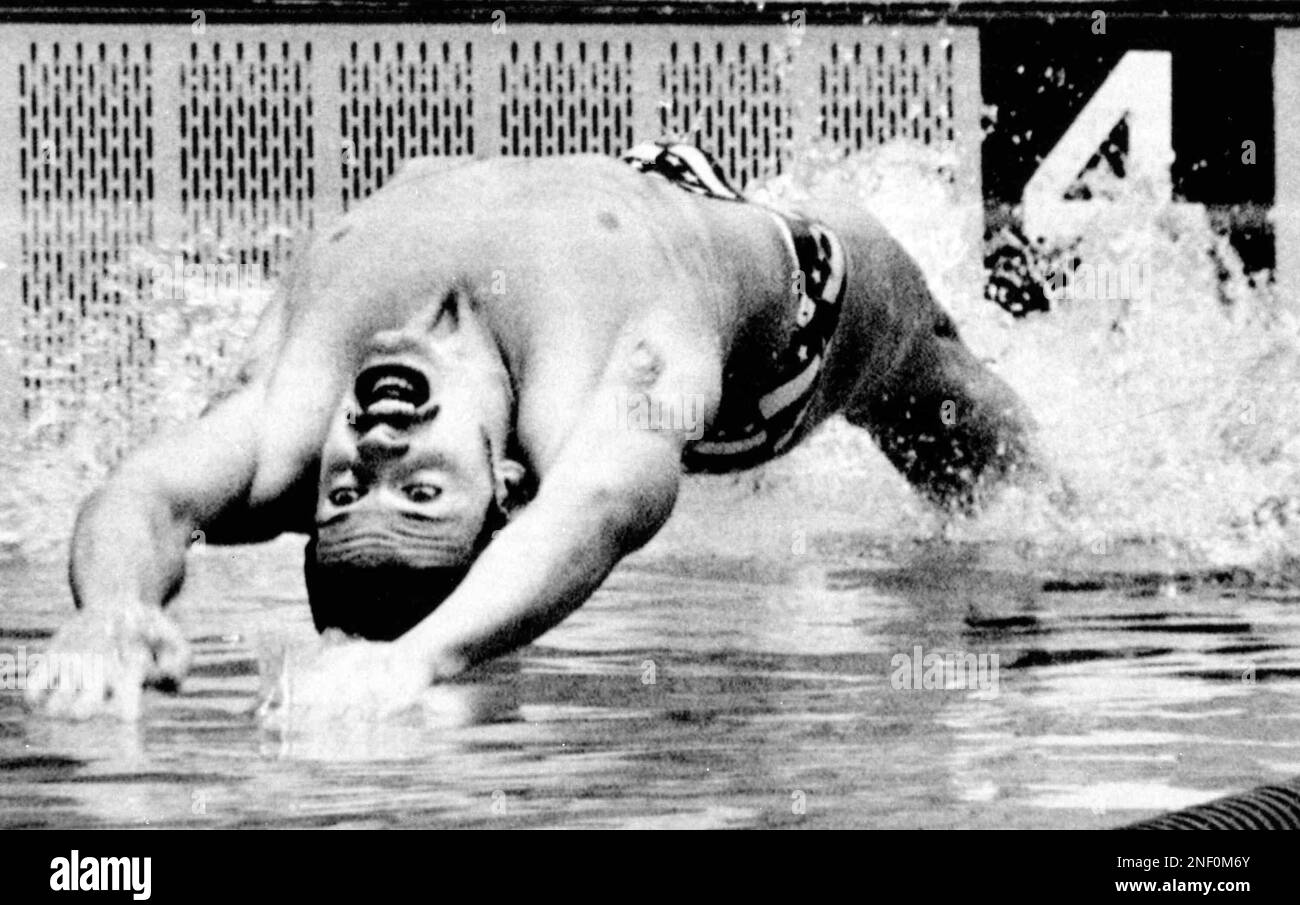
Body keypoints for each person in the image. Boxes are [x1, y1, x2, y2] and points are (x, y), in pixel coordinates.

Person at [27, 143, 1038, 721]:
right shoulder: (600, 379)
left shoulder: (293, 417)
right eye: (422, 492)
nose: (376, 452)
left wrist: (111, 606)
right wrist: (423, 658)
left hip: (637, 190)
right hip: (795, 327)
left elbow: (143, 496)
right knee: (1000, 480)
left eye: (346, 492)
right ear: (509, 485)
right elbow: (599, 506)